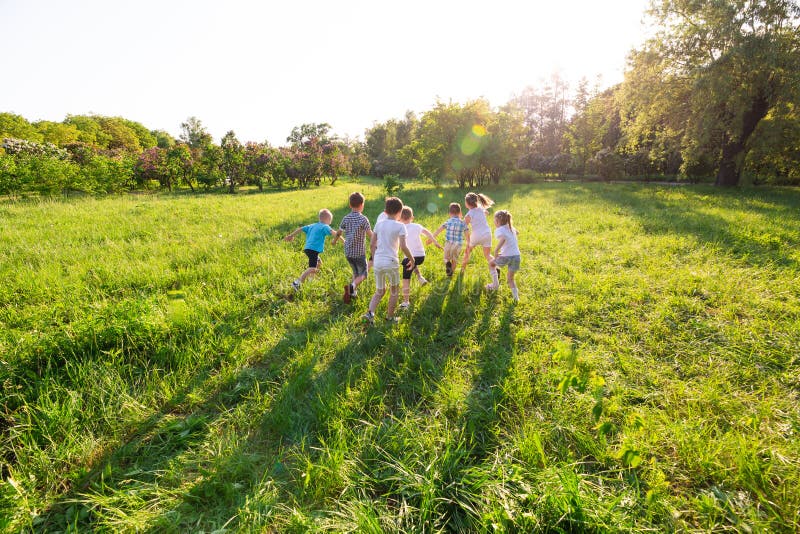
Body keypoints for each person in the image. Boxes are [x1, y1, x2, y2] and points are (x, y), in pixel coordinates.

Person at [363, 197, 415, 324]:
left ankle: (370, 313)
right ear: (400, 212)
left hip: (378, 262)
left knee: (379, 291)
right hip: (391, 261)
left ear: (385, 211)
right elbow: (403, 247)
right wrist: (412, 259)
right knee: (394, 291)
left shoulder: (379, 224)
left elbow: (372, 244)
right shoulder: (400, 226)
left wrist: (375, 258)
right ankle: (390, 317)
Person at [332, 192, 373, 303]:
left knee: (355, 272)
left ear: (350, 205)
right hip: (359, 253)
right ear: (362, 205)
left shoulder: (346, 218)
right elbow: (370, 235)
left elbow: (339, 232)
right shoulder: (363, 219)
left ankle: (353, 293)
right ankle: (352, 286)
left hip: (348, 252)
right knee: (364, 274)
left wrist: (334, 241)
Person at [399, 206, 443, 309]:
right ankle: (420, 278)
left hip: (409, 258)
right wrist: (435, 242)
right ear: (412, 217)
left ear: (399, 218)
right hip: (421, 256)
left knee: (406, 279)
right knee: (413, 262)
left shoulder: (400, 228)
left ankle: (406, 302)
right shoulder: (417, 226)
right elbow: (427, 233)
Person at [283, 208, 336, 291]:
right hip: (313, 250)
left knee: (319, 263)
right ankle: (297, 283)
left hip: (308, 248)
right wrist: (344, 241)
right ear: (328, 220)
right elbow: (335, 233)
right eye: (330, 221)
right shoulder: (325, 226)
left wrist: (291, 235)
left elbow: (300, 229)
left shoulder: (312, 225)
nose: (330, 223)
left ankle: (311, 280)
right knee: (312, 268)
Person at [462, 192, 499, 288]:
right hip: (487, 234)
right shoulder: (481, 209)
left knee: (467, 252)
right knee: (487, 255)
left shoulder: (469, 214)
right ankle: (496, 265)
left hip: (476, 235)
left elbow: (463, 225)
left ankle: (462, 270)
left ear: (467, 203)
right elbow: (487, 213)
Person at [488, 209, 521, 301]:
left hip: (506, 256)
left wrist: (496, 251)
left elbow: (503, 239)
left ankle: (495, 285)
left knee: (491, 264)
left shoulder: (500, 230)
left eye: (494, 220)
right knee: (510, 278)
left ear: (497, 222)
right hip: (516, 256)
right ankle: (516, 298)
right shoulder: (511, 228)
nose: (494, 222)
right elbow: (517, 232)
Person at [432, 202, 469, 277]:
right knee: (455, 260)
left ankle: (447, 263)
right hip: (458, 245)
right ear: (460, 213)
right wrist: (469, 243)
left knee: (446, 258)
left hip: (448, 244)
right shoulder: (463, 223)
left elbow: (439, 230)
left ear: (449, 213)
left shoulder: (448, 221)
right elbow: (467, 234)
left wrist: (432, 238)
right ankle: (450, 273)